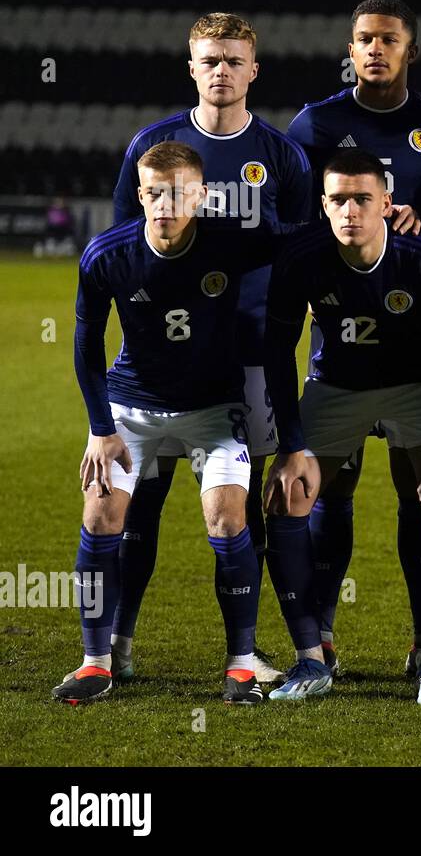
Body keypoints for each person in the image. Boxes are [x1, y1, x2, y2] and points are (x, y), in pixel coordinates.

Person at [107, 12, 313, 687]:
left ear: (254, 69)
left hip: (250, 360)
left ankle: (249, 650)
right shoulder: (154, 143)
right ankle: (119, 639)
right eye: (209, 60)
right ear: (191, 67)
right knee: (142, 503)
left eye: (232, 60)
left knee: (237, 507)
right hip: (165, 365)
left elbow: (305, 249)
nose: (220, 71)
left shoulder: (282, 156)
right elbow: (120, 253)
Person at [58, 140, 294, 705]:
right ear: (139, 194)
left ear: (202, 196)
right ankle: (95, 663)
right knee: (101, 512)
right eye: (154, 192)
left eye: (178, 192)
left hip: (213, 409)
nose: (165, 203)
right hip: (130, 410)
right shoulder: (106, 255)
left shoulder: (229, 241)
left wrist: (391, 215)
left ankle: (241, 664)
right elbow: (86, 345)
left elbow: (305, 238)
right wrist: (100, 428)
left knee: (227, 518)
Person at [261, 149, 421, 705]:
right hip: (337, 388)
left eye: (362, 199)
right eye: (337, 200)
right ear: (323, 204)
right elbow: (278, 353)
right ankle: (310, 658)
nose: (349, 210)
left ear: (387, 202)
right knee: (287, 496)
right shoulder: (302, 256)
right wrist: (291, 445)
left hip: (417, 385)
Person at [287, 0, 421, 676]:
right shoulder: (317, 123)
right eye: (364, 38)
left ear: (410, 50)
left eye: (389, 39)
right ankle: (321, 633)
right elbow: (299, 221)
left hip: (417, 341)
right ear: (350, 48)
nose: (375, 49)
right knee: (333, 489)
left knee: (418, 492)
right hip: (341, 341)